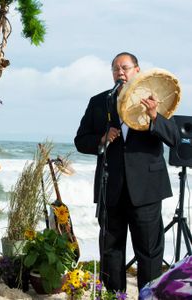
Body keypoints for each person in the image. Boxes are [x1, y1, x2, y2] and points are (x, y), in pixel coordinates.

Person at [74, 52, 179, 292]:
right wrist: (102, 138)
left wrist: (154, 115)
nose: (120, 72)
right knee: (111, 251)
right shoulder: (99, 101)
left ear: (137, 71)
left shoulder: (155, 99)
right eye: (115, 69)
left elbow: (174, 138)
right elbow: (81, 141)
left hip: (146, 190)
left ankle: (149, 297)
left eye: (125, 67)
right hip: (110, 187)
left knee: (150, 253)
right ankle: (114, 297)